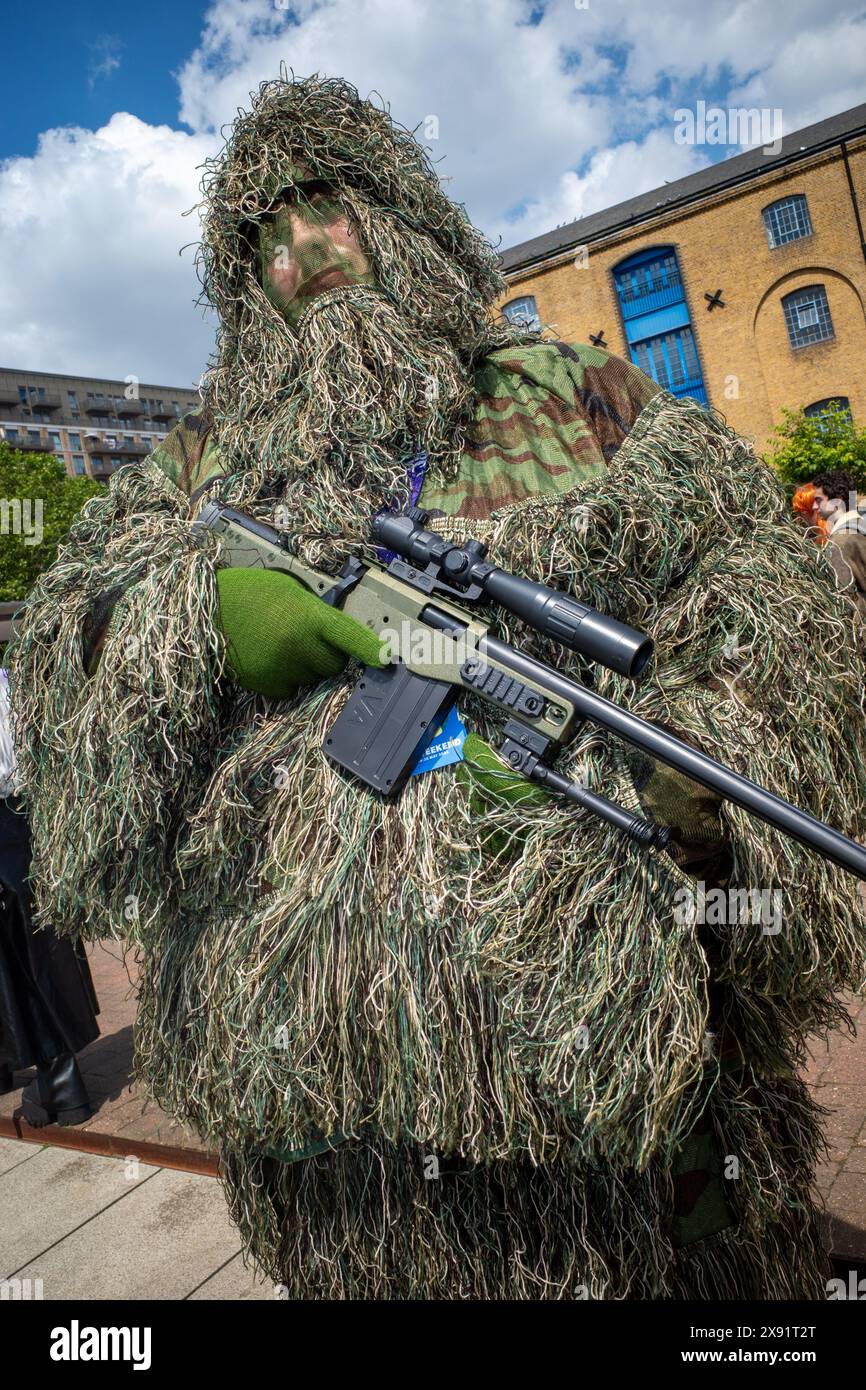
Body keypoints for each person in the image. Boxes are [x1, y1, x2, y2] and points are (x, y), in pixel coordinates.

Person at [7, 72, 866, 1298]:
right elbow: (61, 653)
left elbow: (763, 612)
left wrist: (649, 782)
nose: (302, 252)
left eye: (325, 206)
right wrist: (193, 617)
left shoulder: (572, 395)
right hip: (339, 1148)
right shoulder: (202, 461)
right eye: (262, 239)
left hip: (612, 1134)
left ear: (396, 213)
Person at [0, 669, 98, 1125]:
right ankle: (59, 1078)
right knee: (40, 944)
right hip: (27, 814)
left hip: (12, 817)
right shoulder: (14, 680)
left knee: (26, 951)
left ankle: (59, 1076)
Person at [810, 470, 866, 629]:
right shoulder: (860, 528)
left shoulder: (840, 542)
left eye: (819, 500)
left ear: (836, 502)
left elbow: (841, 599)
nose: (814, 506)